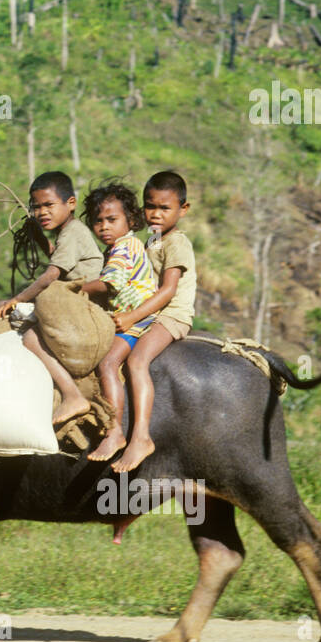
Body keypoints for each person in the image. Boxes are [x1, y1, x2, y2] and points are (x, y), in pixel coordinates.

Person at [0, 171, 102, 426]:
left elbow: (51, 275)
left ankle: (72, 395)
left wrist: (16, 299)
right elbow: (58, 258)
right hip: (72, 299)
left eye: (49, 205)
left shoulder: (73, 233)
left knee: (29, 335)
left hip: (80, 303)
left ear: (71, 204)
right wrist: (40, 240)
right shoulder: (69, 233)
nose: (42, 212)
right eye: (36, 207)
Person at [109, 170, 197, 475]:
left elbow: (168, 290)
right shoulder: (152, 241)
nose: (155, 214)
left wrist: (132, 316)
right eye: (150, 206)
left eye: (164, 208)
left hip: (171, 315)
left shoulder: (177, 243)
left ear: (182, 210)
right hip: (150, 313)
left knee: (136, 361)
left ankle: (141, 437)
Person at [79, 183, 159, 479]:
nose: (104, 227)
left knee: (107, 362)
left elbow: (109, 283)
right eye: (98, 221)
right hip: (126, 316)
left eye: (111, 220)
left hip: (136, 320)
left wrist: (72, 289)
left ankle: (114, 431)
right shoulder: (115, 248)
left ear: (130, 221)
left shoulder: (126, 247)